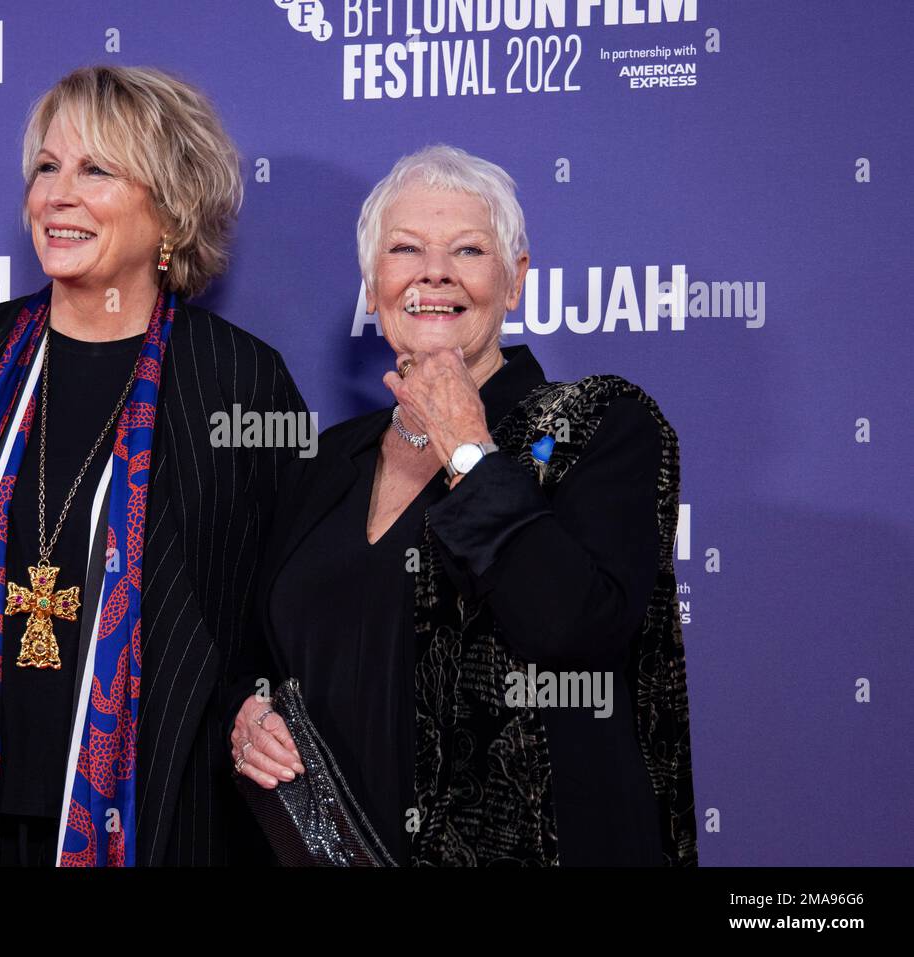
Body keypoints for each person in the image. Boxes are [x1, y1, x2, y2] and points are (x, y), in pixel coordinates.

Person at [0, 65, 306, 867]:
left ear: (170, 207)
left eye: (95, 169)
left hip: (159, 824)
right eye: (46, 167)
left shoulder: (237, 382)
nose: (57, 195)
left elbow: (265, 619)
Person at [229, 144, 698, 866]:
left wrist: (467, 449)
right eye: (405, 248)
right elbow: (262, 647)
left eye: (469, 250)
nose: (434, 272)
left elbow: (574, 627)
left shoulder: (598, 426)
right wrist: (249, 712)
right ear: (374, 281)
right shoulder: (324, 462)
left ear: (515, 282)